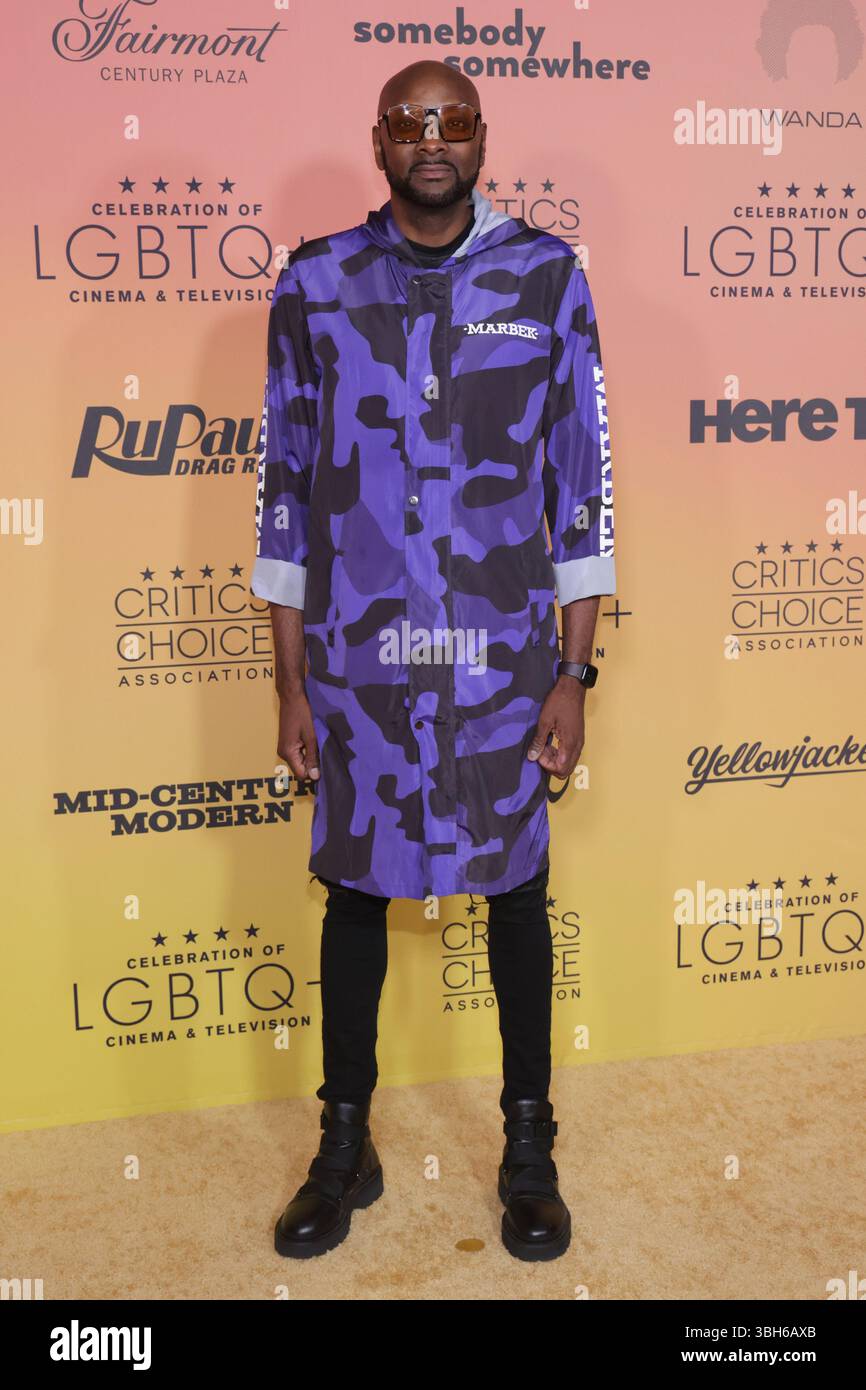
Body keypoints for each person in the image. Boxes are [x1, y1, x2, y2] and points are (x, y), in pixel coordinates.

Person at [251, 59, 615, 1263]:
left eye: (452, 121)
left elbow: (582, 494)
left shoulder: (546, 278)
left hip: (502, 667)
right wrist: (290, 681)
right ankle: (342, 1148)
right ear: (376, 142)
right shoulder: (314, 283)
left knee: (516, 891)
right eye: (409, 124)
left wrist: (573, 672)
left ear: (481, 138)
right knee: (354, 889)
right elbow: (285, 503)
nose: (431, 141)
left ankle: (527, 1149)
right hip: (360, 668)